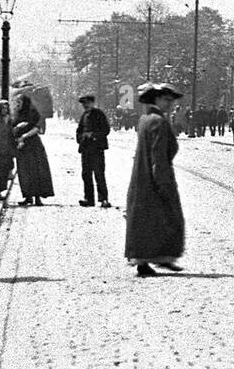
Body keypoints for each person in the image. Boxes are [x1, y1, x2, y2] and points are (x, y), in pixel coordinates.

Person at [125, 82, 185, 277]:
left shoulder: (145, 119)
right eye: (166, 100)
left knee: (145, 220)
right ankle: (163, 256)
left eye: (171, 100)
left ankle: (146, 260)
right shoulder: (159, 121)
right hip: (156, 176)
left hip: (141, 177)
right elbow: (158, 154)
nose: (170, 104)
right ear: (156, 99)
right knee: (168, 216)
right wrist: (162, 182)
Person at [12, 88, 55, 205]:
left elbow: (37, 128)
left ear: (24, 102)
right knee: (23, 171)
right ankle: (28, 196)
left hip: (33, 145)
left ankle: (37, 197)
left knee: (35, 171)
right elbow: (13, 128)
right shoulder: (17, 114)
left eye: (19, 102)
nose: (17, 104)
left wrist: (24, 136)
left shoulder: (33, 112)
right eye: (16, 102)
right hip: (22, 146)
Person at [76, 93, 111, 208]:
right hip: (86, 149)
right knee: (86, 174)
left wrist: (94, 135)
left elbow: (106, 129)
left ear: (92, 103)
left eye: (87, 103)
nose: (85, 105)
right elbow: (79, 130)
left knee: (99, 174)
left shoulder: (99, 114)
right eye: (84, 104)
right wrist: (81, 137)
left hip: (97, 148)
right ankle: (89, 199)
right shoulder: (84, 115)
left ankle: (104, 199)